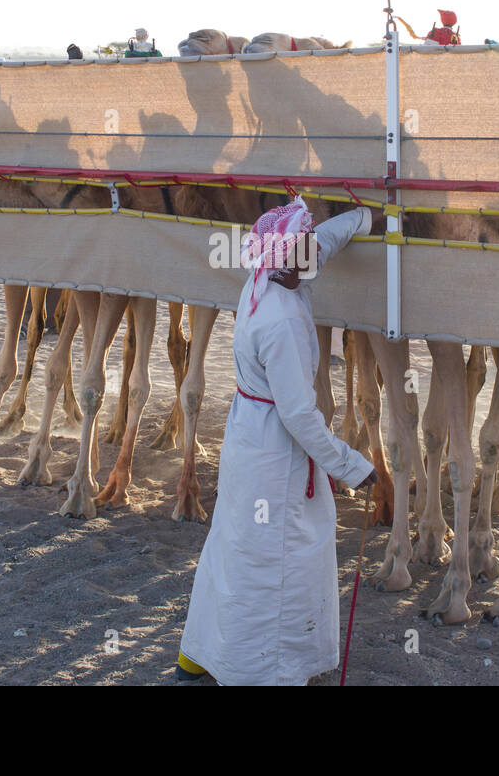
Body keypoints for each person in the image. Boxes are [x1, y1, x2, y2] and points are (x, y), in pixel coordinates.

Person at [177, 198, 376, 685]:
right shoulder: (283, 319)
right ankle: (265, 670)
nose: (314, 253)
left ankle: (198, 653)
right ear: (288, 257)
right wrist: (352, 466)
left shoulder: (264, 282)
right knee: (278, 557)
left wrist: (366, 219)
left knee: (232, 543)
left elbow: (324, 244)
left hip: (248, 436)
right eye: (304, 247)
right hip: (275, 452)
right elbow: (300, 417)